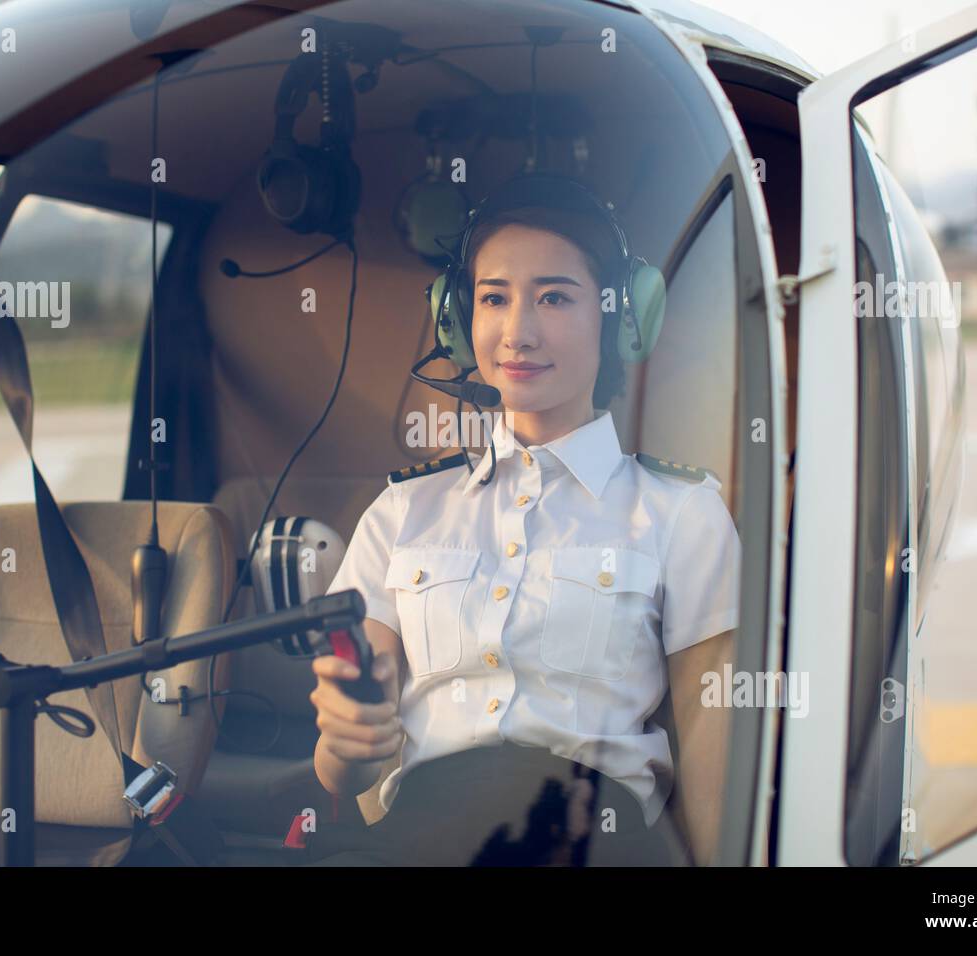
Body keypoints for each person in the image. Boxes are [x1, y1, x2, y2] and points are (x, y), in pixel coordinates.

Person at [303, 175, 741, 866]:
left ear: (621, 317)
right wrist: (345, 739)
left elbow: (714, 774)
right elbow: (347, 784)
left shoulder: (681, 513)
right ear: (458, 319)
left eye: (555, 297)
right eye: (493, 298)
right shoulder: (400, 513)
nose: (518, 331)